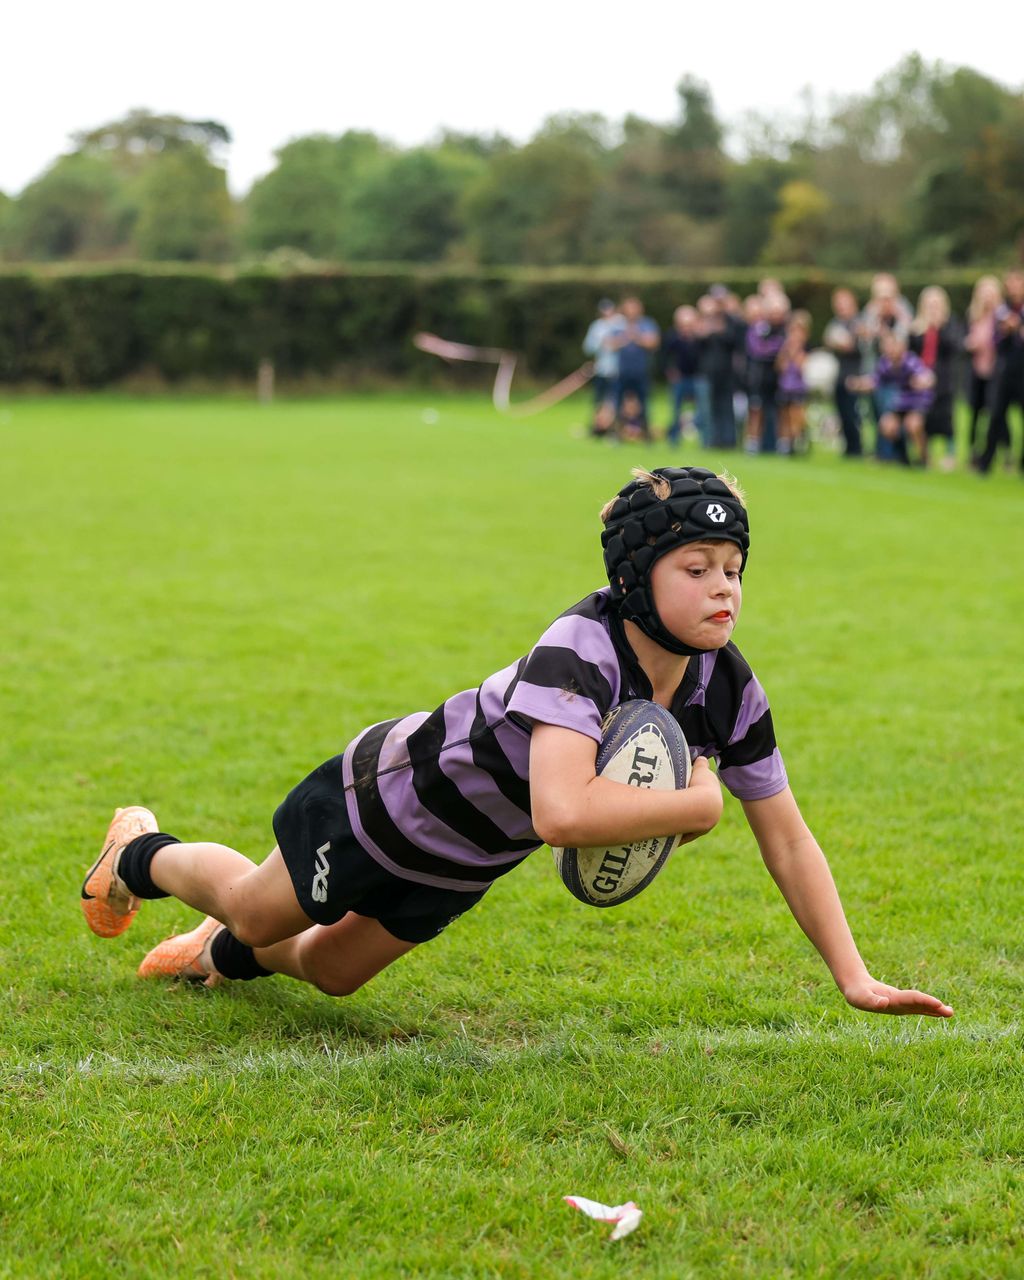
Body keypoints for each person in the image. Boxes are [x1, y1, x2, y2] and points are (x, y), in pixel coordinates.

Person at [81, 466, 954, 1021]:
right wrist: (695, 803)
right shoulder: (581, 648)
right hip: (390, 799)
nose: (723, 590)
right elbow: (564, 811)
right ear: (634, 579)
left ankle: (213, 956)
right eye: (697, 569)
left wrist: (854, 975)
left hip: (471, 857)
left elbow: (790, 837)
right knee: (262, 909)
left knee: (333, 974)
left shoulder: (729, 688)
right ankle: (139, 850)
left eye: (734, 570)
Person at [848, 330, 934, 466]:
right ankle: (903, 455)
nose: (889, 349)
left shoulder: (910, 361)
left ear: (901, 346)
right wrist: (858, 384)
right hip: (901, 403)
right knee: (886, 426)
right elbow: (874, 381)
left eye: (892, 345)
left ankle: (924, 459)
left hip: (917, 402)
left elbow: (926, 376)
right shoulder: (886, 363)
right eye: (886, 346)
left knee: (913, 425)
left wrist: (924, 382)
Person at [975, 270, 1024, 476]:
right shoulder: (1002, 310)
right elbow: (994, 341)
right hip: (1005, 371)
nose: (1013, 287)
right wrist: (1005, 331)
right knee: (996, 415)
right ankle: (986, 462)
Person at [909, 286, 961, 471]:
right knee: (925, 418)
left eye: (936, 304)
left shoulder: (950, 324)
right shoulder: (917, 328)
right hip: (921, 380)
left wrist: (939, 327)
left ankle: (950, 454)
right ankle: (925, 454)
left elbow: (954, 347)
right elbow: (912, 353)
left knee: (946, 418)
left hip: (943, 380)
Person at [744, 292, 789, 454]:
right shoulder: (758, 327)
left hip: (780, 378)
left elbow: (789, 347)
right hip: (760, 376)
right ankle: (752, 444)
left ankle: (783, 445)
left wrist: (774, 348)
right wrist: (776, 347)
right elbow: (757, 349)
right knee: (756, 410)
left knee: (782, 410)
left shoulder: (786, 328)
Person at [963, 275, 1002, 464]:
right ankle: (973, 451)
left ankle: (997, 450)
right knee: (975, 412)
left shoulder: (1001, 316)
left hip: (996, 372)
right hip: (977, 369)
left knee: (995, 412)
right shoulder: (973, 316)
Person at [823, 288, 864, 458]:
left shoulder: (859, 322)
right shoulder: (835, 323)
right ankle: (849, 447)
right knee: (843, 413)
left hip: (856, 374)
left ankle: (857, 448)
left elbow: (853, 345)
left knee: (854, 413)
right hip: (839, 375)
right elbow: (829, 340)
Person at [608, 296, 660, 423]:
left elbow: (654, 343)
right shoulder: (618, 325)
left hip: (641, 371)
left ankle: (646, 431)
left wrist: (637, 337)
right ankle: (617, 431)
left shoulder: (647, 324)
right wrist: (625, 337)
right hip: (622, 371)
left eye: (634, 308)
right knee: (618, 401)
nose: (632, 311)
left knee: (644, 402)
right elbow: (611, 345)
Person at [663, 305, 708, 446]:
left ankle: (704, 439)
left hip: (697, 377)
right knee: (675, 409)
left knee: (703, 409)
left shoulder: (700, 338)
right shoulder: (673, 337)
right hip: (680, 379)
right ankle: (674, 439)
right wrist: (670, 372)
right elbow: (664, 357)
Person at [775, 311, 811, 455]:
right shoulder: (785, 349)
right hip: (785, 386)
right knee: (784, 416)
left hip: (798, 388)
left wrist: (795, 352)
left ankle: (799, 441)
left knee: (797, 416)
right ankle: (786, 443)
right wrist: (785, 353)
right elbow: (779, 367)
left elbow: (801, 367)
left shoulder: (805, 351)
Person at [582, 298, 620, 435]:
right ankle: (596, 428)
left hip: (617, 371)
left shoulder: (621, 324)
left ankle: (613, 429)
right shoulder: (597, 326)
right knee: (598, 401)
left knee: (615, 401)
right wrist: (601, 342)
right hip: (602, 370)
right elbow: (588, 347)